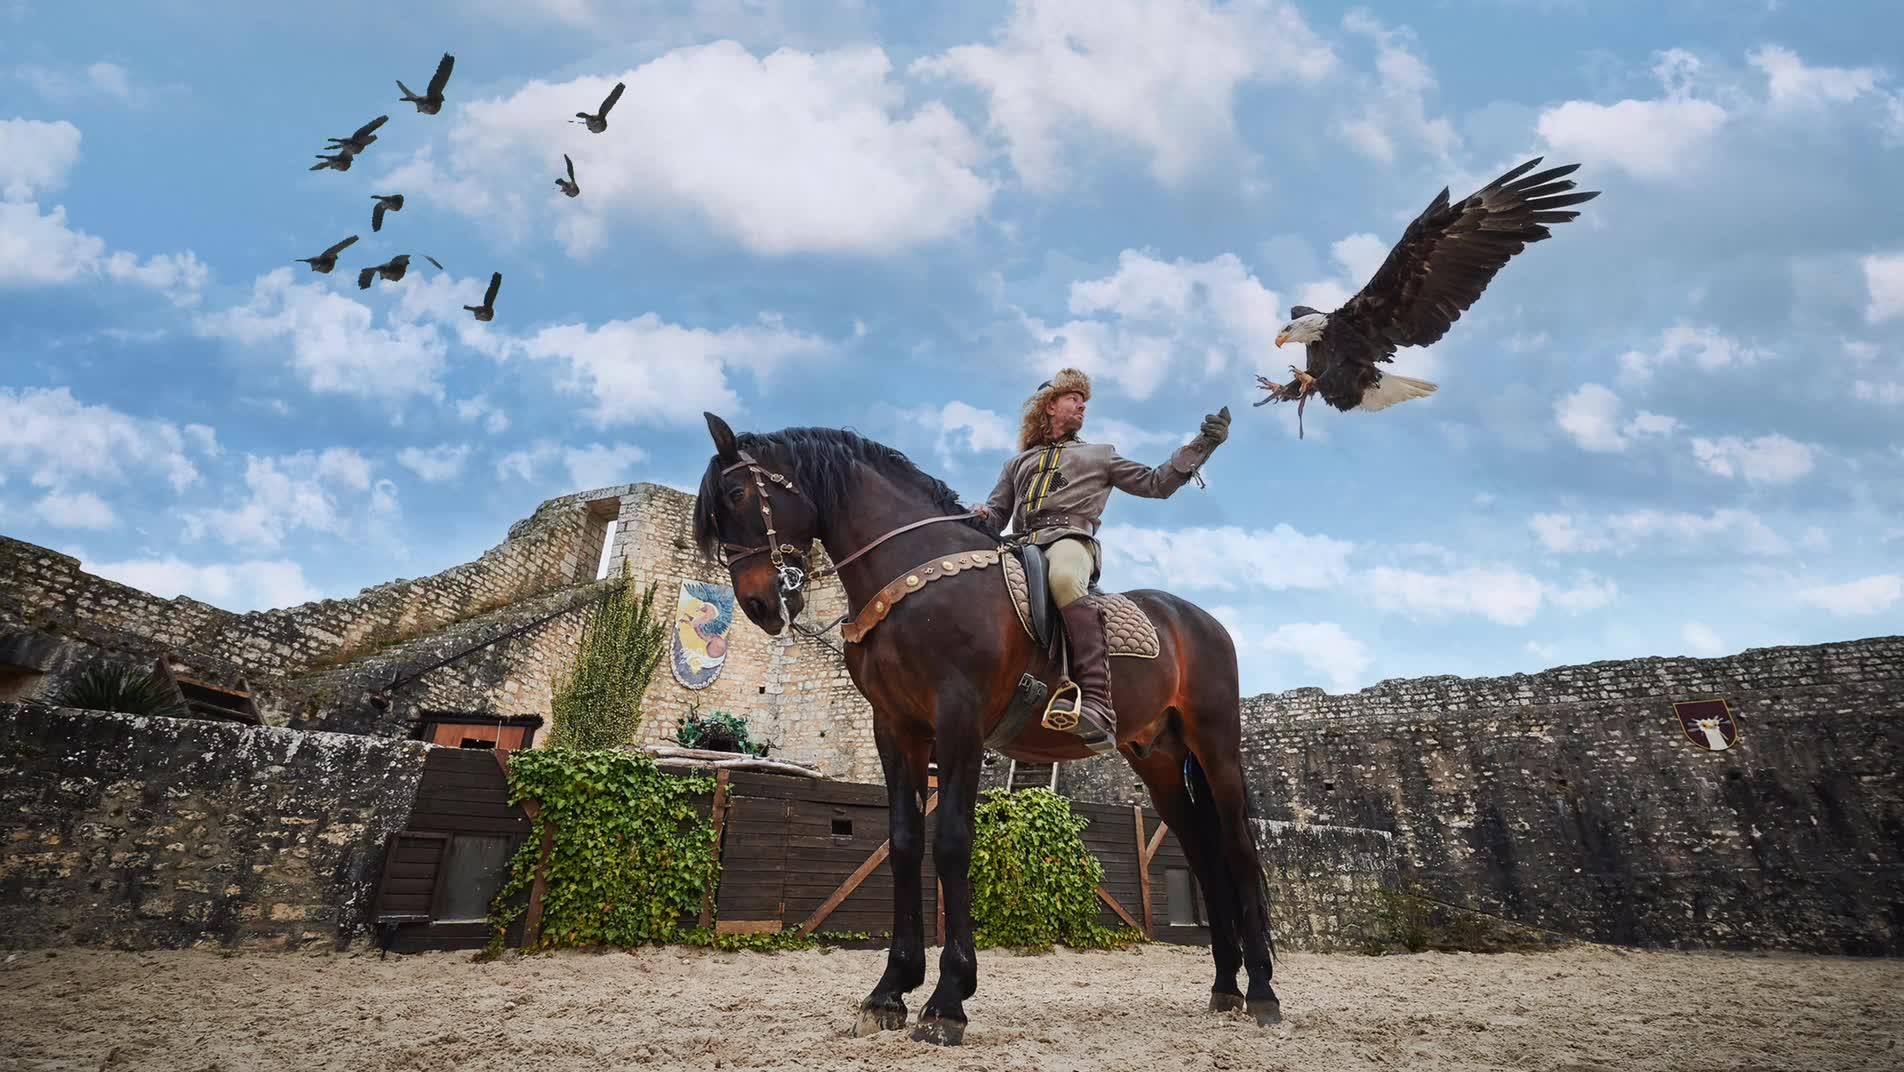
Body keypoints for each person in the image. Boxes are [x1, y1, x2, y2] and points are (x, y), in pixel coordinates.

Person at [970, 367, 1229, 753]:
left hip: (1070, 541)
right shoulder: (1016, 464)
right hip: (1019, 546)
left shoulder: (1100, 455)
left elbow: (1155, 483)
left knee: (1063, 579)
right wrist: (979, 515)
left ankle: (1096, 702)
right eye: (1074, 398)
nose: (1082, 406)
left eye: (1083, 401)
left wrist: (1202, 445)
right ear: (1049, 406)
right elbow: (996, 515)